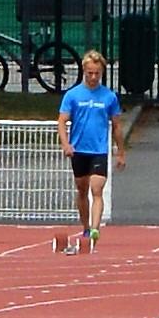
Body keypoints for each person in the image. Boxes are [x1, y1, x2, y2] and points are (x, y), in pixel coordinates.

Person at [57, 49, 125, 243]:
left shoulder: (109, 97)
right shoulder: (73, 95)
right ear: (84, 71)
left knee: (97, 189)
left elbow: (117, 125)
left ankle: (95, 229)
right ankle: (86, 226)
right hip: (79, 150)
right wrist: (66, 144)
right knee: (81, 189)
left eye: (97, 73)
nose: (93, 77)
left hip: (99, 150)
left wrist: (120, 152)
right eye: (90, 73)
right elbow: (62, 121)